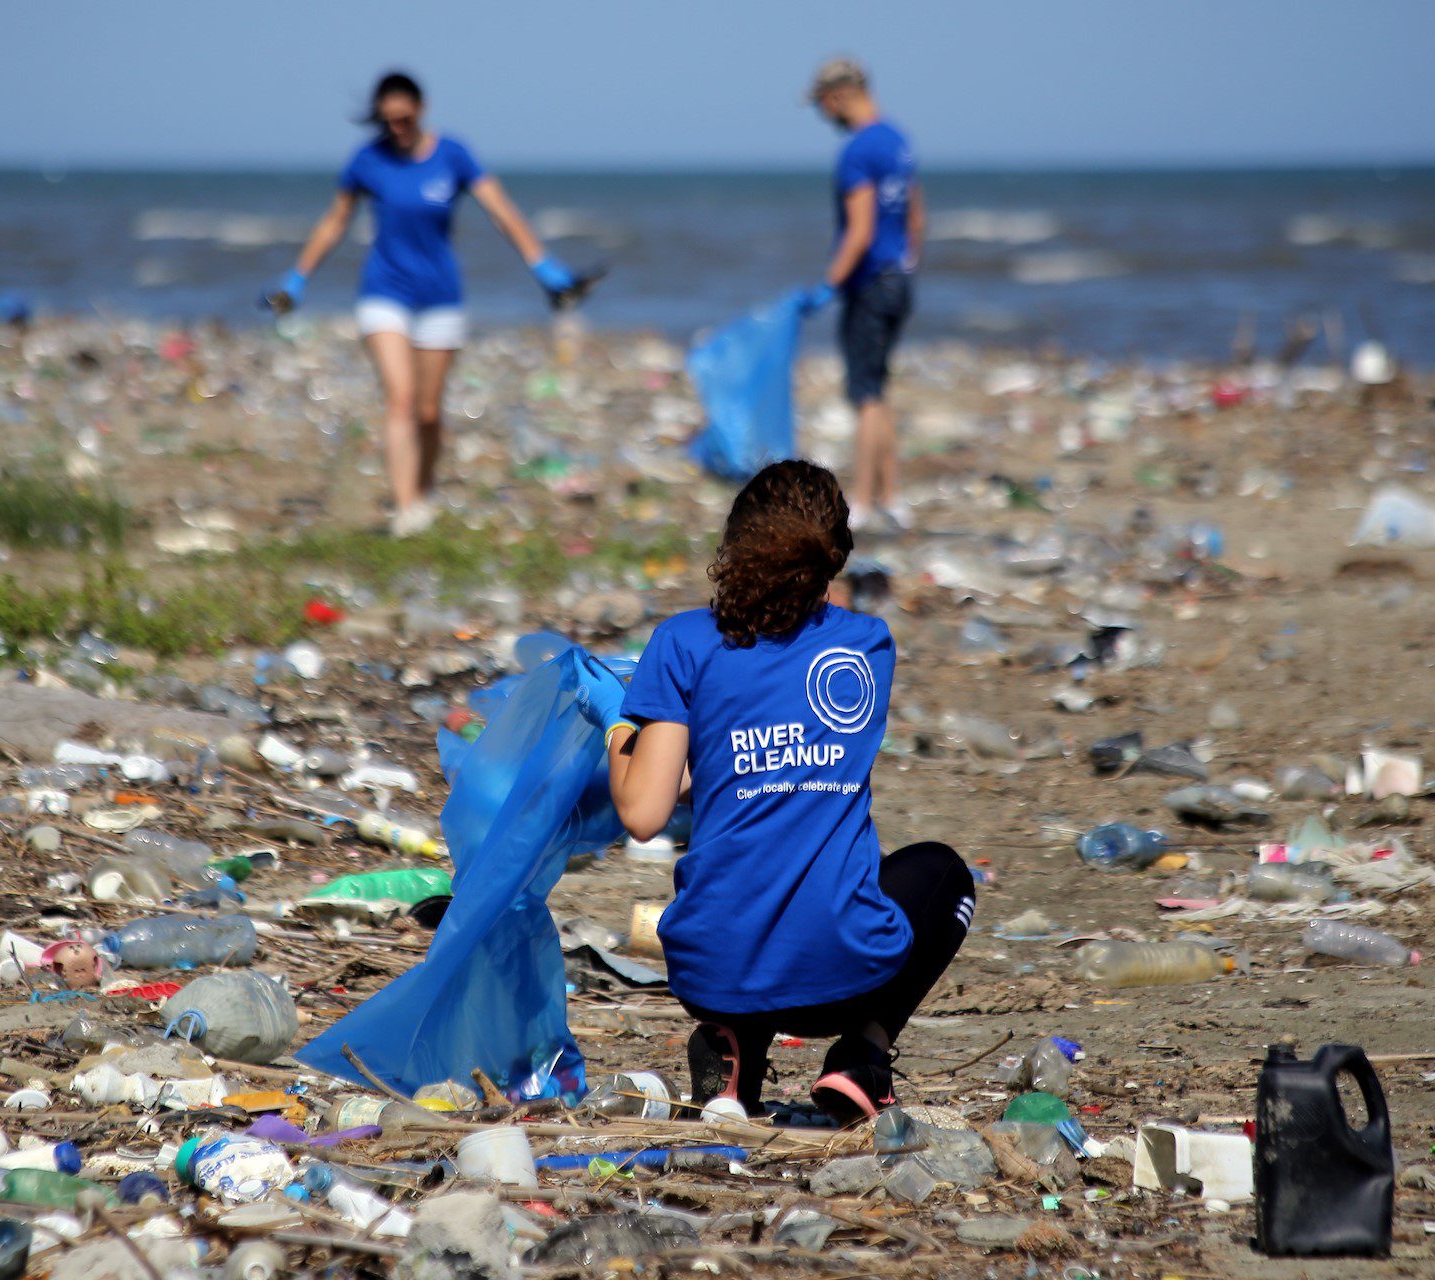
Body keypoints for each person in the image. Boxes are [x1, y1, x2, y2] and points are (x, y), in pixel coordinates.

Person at [598, 460, 972, 1125]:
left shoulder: (683, 642)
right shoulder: (867, 647)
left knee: (752, 881)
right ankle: (863, 1053)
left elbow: (644, 812)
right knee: (942, 874)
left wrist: (617, 732)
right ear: (832, 558)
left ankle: (736, 1048)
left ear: (734, 544)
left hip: (713, 976)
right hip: (845, 978)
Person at [267, 72, 581, 537]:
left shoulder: (453, 154)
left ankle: (425, 487)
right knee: (400, 401)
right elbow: (335, 221)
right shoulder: (367, 160)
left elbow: (502, 212)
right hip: (384, 293)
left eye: (405, 118)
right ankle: (407, 506)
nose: (397, 128)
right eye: (388, 121)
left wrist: (545, 268)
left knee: (429, 413)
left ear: (422, 108)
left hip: (441, 297)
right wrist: (297, 278)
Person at [806, 57, 923, 533]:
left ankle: (862, 501)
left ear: (836, 97)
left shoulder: (857, 151)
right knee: (880, 387)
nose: (822, 114)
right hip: (899, 281)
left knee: (865, 393)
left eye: (820, 105)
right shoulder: (898, 141)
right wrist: (906, 263)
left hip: (870, 284)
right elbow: (916, 218)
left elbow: (859, 232)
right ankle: (892, 497)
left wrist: (828, 285)